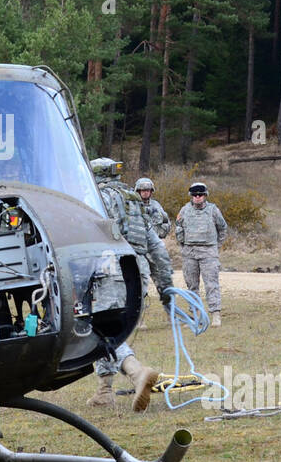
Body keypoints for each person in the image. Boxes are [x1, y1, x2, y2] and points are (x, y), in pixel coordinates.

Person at [87, 157, 167, 411]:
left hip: (108, 268)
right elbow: (157, 246)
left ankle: (135, 373)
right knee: (113, 328)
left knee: (100, 329)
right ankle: (104, 391)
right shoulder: (134, 199)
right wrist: (165, 288)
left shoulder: (96, 197)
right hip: (136, 271)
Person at [174, 182, 228, 327]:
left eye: (200, 195)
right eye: (194, 195)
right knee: (192, 286)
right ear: (191, 196)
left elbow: (222, 228)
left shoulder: (213, 210)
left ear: (205, 196)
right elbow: (178, 228)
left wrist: (215, 247)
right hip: (190, 252)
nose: (197, 197)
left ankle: (215, 315)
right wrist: (184, 245)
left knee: (211, 284)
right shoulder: (184, 210)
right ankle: (194, 316)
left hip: (208, 252)